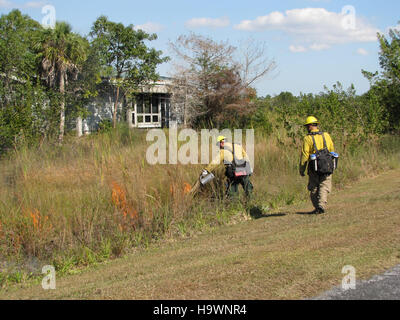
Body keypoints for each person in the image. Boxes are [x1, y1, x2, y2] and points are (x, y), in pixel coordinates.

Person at [299, 116, 335, 214]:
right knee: (324, 186)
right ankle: (321, 206)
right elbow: (331, 149)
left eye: (307, 126)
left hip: (313, 166)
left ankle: (317, 208)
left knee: (314, 187)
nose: (307, 128)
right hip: (327, 165)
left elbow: (305, 154)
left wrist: (302, 169)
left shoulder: (308, 138)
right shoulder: (326, 135)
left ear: (310, 126)